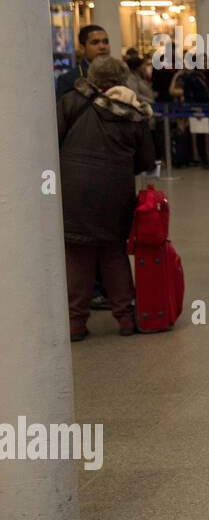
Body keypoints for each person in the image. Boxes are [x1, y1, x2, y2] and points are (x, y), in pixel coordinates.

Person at [58, 56, 155, 340]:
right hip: (115, 191)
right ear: (123, 79)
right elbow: (146, 159)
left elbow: (52, 139)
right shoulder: (134, 110)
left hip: (73, 189)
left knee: (77, 256)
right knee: (114, 254)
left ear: (92, 77)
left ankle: (75, 323)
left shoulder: (72, 101)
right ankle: (125, 318)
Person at [56, 25, 112, 98]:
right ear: (82, 48)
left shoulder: (121, 75)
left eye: (105, 42)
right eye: (95, 42)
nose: (102, 47)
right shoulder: (69, 80)